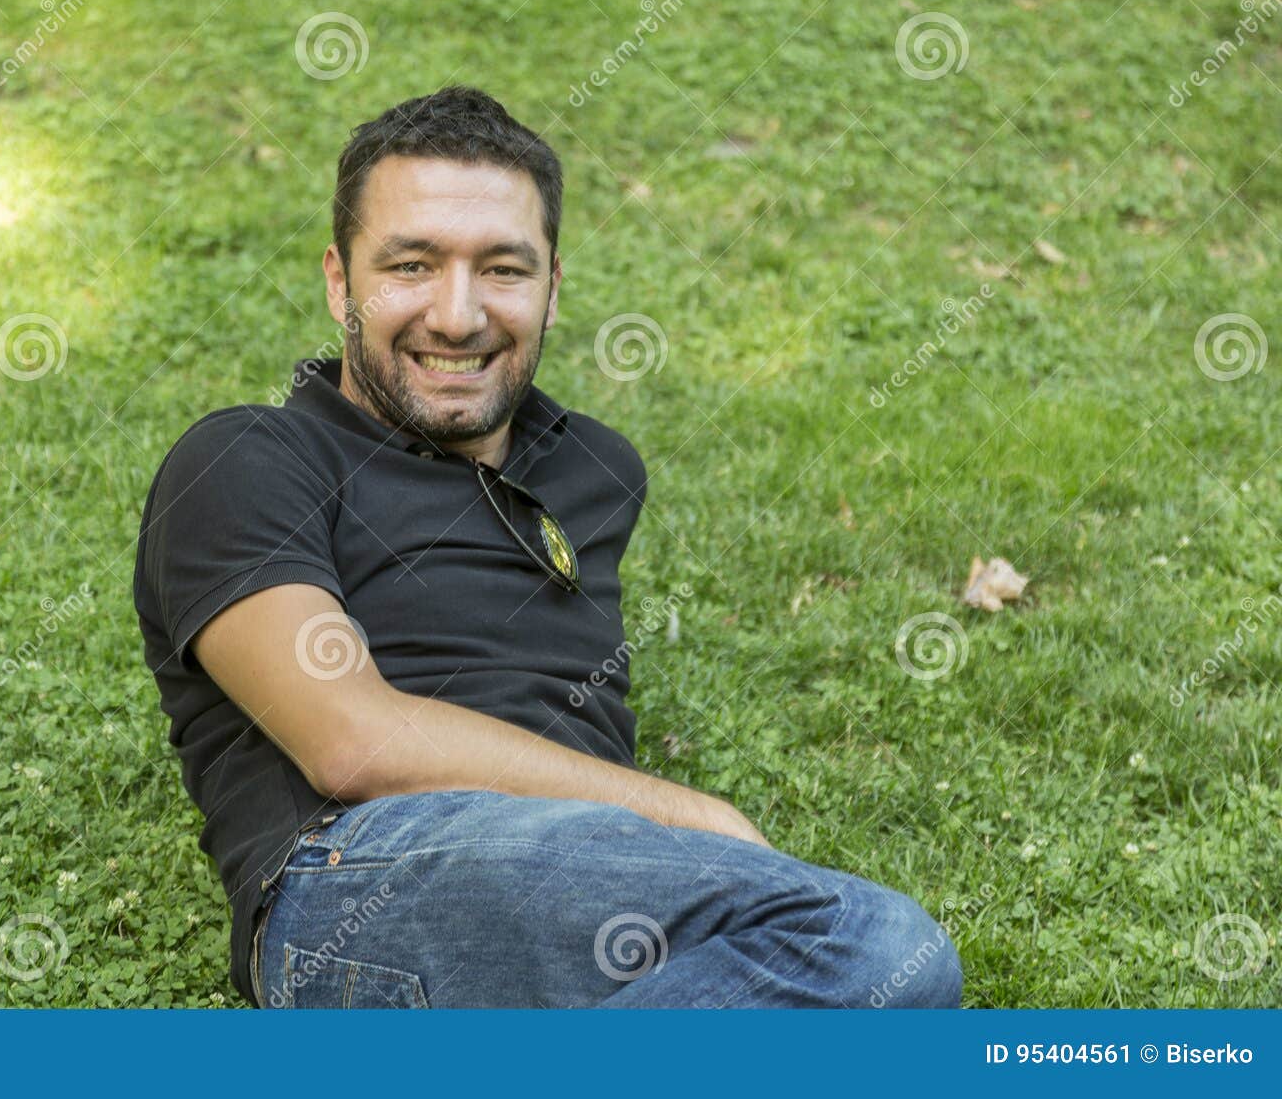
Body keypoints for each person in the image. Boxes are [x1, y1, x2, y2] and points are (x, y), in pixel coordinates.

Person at [132, 86, 961, 1009]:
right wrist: (690, 815)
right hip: (357, 877)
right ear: (339, 283)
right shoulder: (246, 457)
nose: (457, 315)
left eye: (503, 270)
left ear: (553, 287)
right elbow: (349, 740)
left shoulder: (594, 471)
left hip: (586, 887)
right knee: (879, 950)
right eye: (410, 265)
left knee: (863, 977)